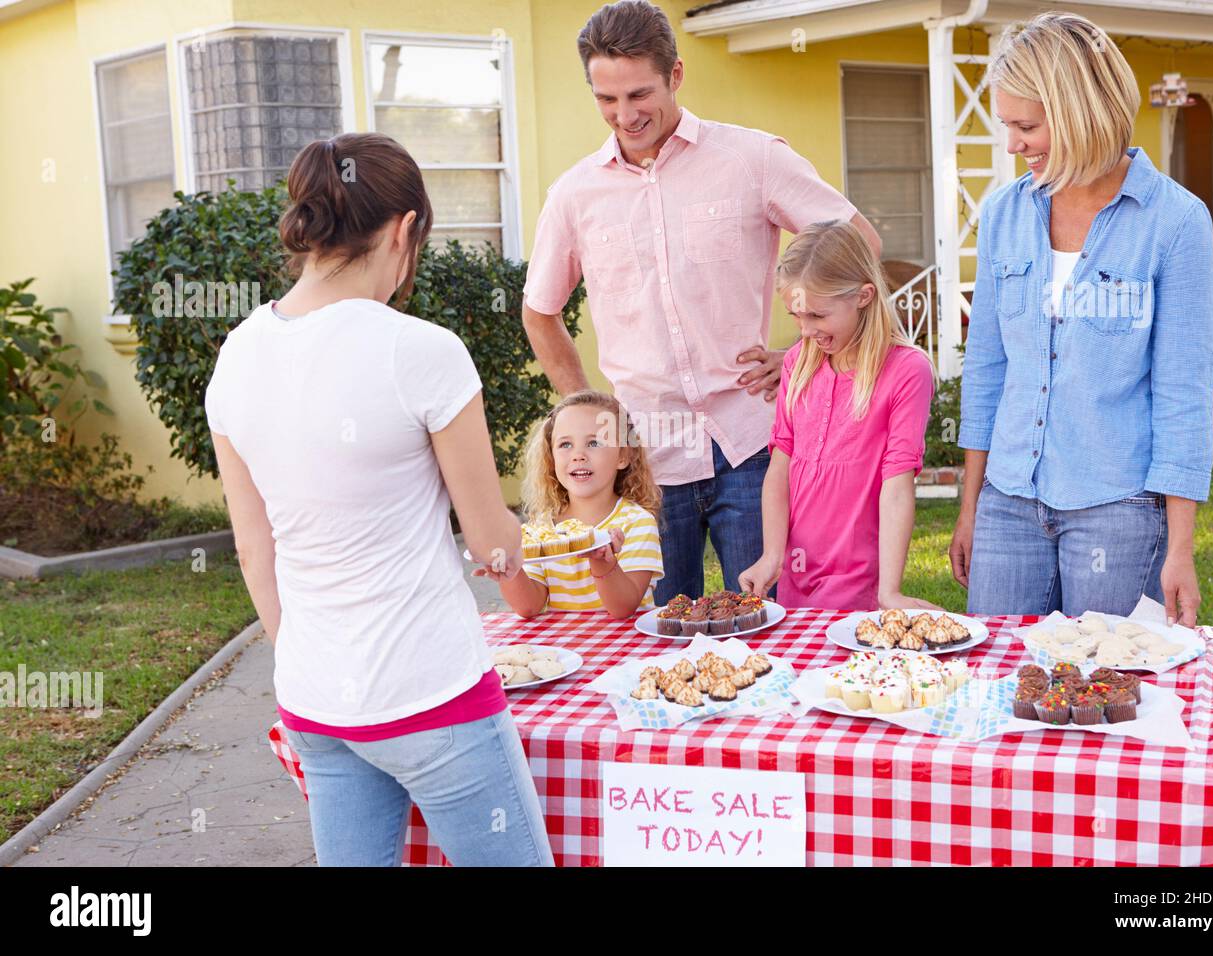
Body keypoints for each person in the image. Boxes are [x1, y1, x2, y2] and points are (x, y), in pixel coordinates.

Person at [205, 132, 553, 866]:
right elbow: (492, 539)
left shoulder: (235, 357)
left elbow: (252, 546)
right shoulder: (421, 351)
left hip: (315, 701)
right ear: (405, 230)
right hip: (434, 696)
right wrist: (530, 575)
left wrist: (306, 661)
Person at [521, 0, 881, 603]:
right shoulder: (574, 194)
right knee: (655, 639)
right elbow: (540, 311)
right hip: (645, 459)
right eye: (606, 100)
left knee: (771, 624)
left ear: (677, 75)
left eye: (639, 95)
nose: (624, 115)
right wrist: (587, 416)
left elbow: (858, 247)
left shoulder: (752, 159)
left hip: (752, 444)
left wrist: (798, 355)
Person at [948, 13, 1213, 625]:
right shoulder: (1002, 216)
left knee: (1104, 691)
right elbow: (987, 368)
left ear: (1079, 115)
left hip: (1117, 507)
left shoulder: (1174, 223)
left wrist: (1181, 549)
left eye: (1026, 126)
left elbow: (1183, 393)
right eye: (1006, 125)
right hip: (1008, 504)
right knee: (1001, 686)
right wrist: (972, 510)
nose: (1012, 144)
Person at [739, 221, 936, 610]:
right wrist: (772, 556)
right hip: (797, 578)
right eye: (796, 316)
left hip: (860, 582)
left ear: (864, 296)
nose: (806, 329)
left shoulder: (907, 370)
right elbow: (780, 468)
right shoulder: (798, 364)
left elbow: (898, 485)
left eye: (817, 315)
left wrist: (890, 593)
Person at [485, 390, 664, 618]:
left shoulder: (637, 523)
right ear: (551, 458)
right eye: (565, 445)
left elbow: (623, 608)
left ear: (623, 456)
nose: (578, 455)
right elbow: (529, 606)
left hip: (627, 648)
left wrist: (602, 562)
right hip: (563, 649)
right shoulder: (543, 529)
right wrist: (510, 571)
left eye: (593, 442)